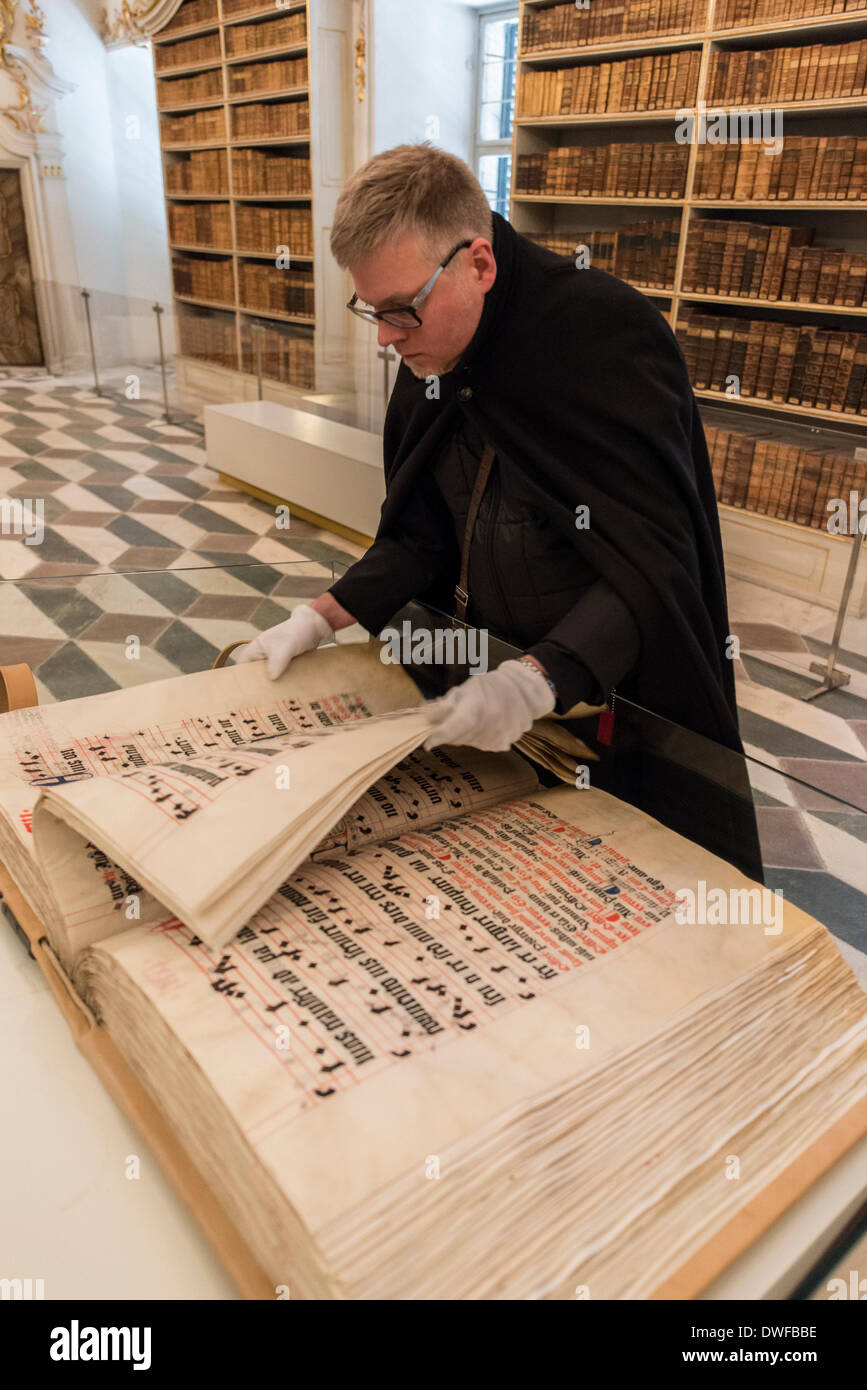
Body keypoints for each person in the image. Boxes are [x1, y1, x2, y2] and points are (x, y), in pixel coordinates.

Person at [237, 142, 762, 879]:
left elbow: (653, 562)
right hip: (476, 689)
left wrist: (539, 679)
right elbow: (422, 533)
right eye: (371, 311)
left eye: (399, 311)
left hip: (604, 709)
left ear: (477, 263)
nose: (386, 338)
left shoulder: (604, 333)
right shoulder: (431, 347)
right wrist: (320, 616)